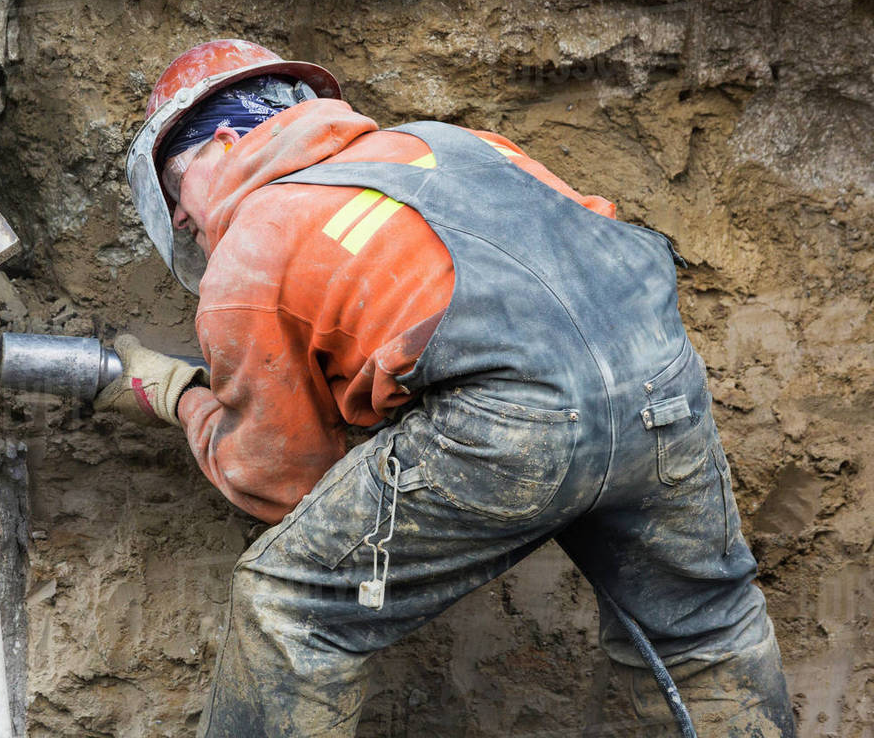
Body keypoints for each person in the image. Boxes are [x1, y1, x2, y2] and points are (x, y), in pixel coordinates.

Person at [94, 39, 795, 736]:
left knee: (288, 610)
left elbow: (282, 482)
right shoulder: (449, 143)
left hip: (514, 426)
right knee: (705, 630)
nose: (183, 220)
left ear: (222, 140)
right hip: (662, 379)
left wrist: (179, 395)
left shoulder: (251, 250)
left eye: (176, 194)